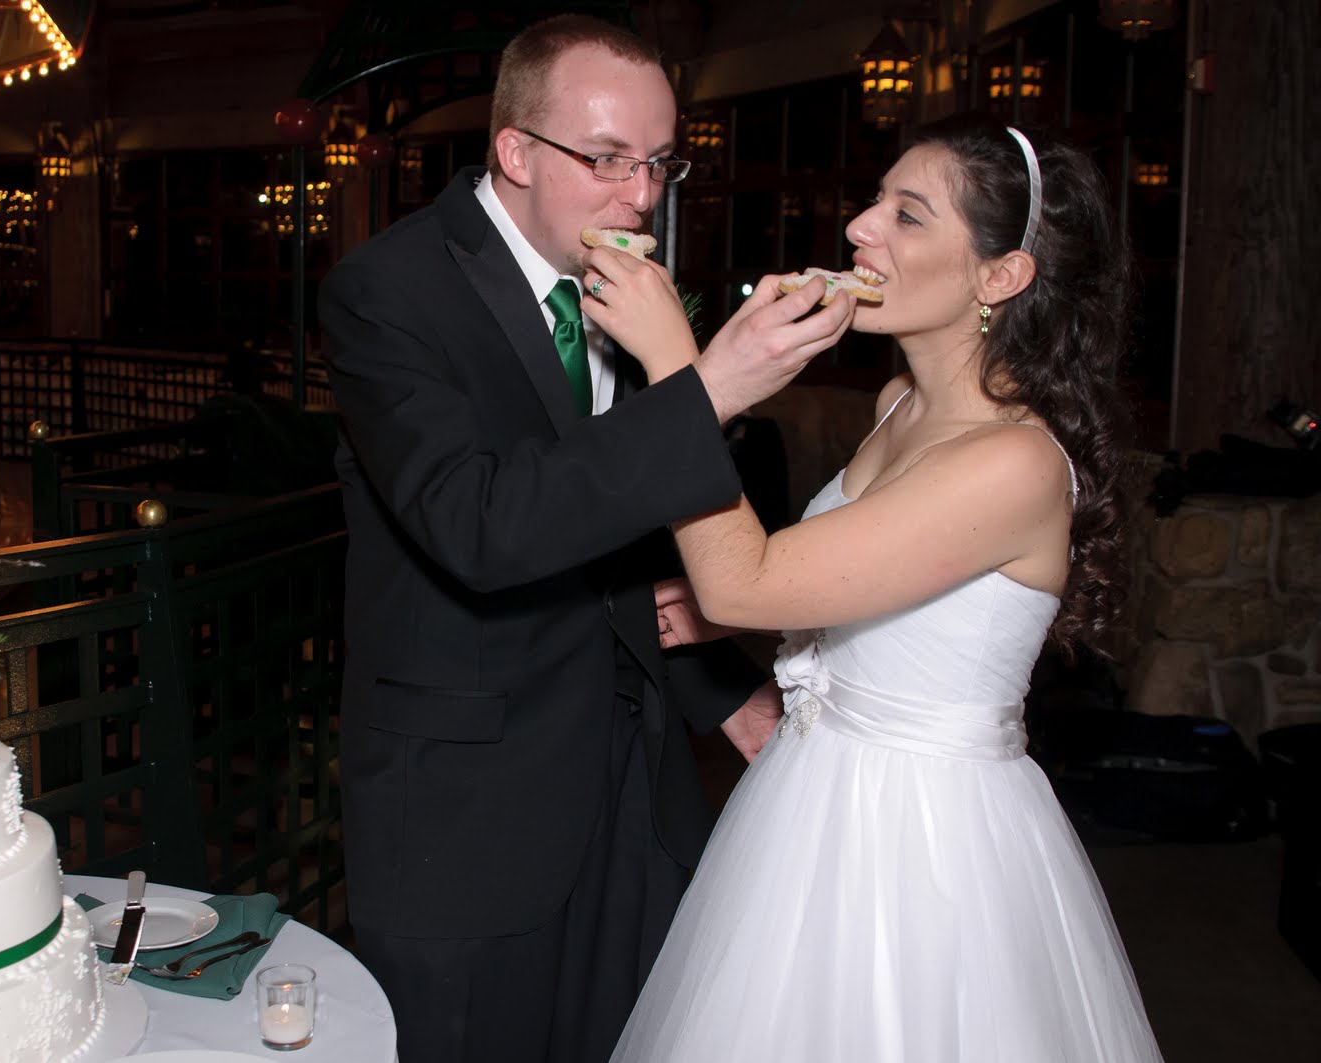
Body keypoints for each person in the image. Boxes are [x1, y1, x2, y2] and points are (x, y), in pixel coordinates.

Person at [317, 14, 854, 1063]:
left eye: (658, 162)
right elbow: (477, 524)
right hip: (468, 810)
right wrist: (707, 386)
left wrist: (721, 690)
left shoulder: (618, 280)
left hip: (633, 779)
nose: (639, 196)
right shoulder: (387, 291)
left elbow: (623, 528)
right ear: (515, 151)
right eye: (607, 159)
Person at [583, 113, 1165, 1061]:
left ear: (1000, 276)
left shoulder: (1014, 461)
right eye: (875, 202)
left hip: (921, 841)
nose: (859, 227)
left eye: (908, 215)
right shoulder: (897, 403)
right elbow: (861, 587)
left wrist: (679, 370)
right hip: (812, 794)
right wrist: (752, 614)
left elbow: (746, 581)